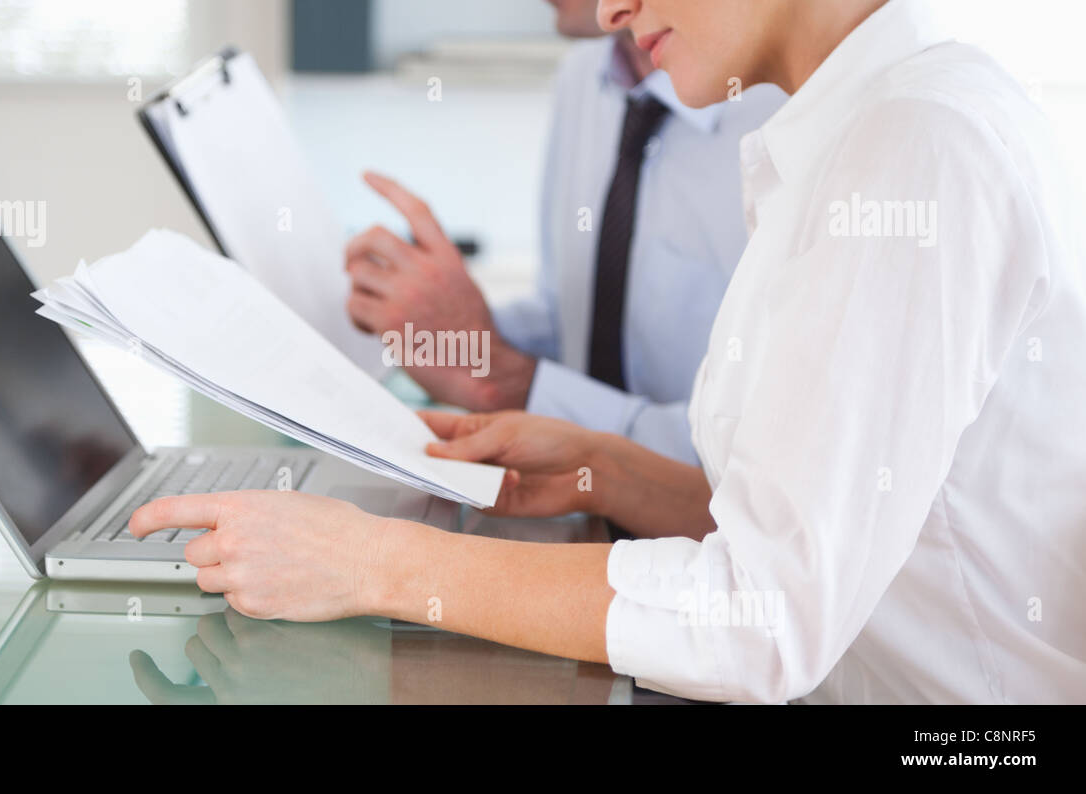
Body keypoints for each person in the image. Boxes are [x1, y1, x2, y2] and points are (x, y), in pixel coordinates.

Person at [131, 0, 1086, 703]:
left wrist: (375, 564)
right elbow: (824, 529)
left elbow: (764, 618)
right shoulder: (863, 130)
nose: (608, 9)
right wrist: (604, 471)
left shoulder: (914, 148)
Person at [344, 0, 785, 464]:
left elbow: (753, 465)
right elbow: (575, 323)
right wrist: (452, 328)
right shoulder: (583, 77)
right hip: (585, 513)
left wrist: (511, 381)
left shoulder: (782, 113)